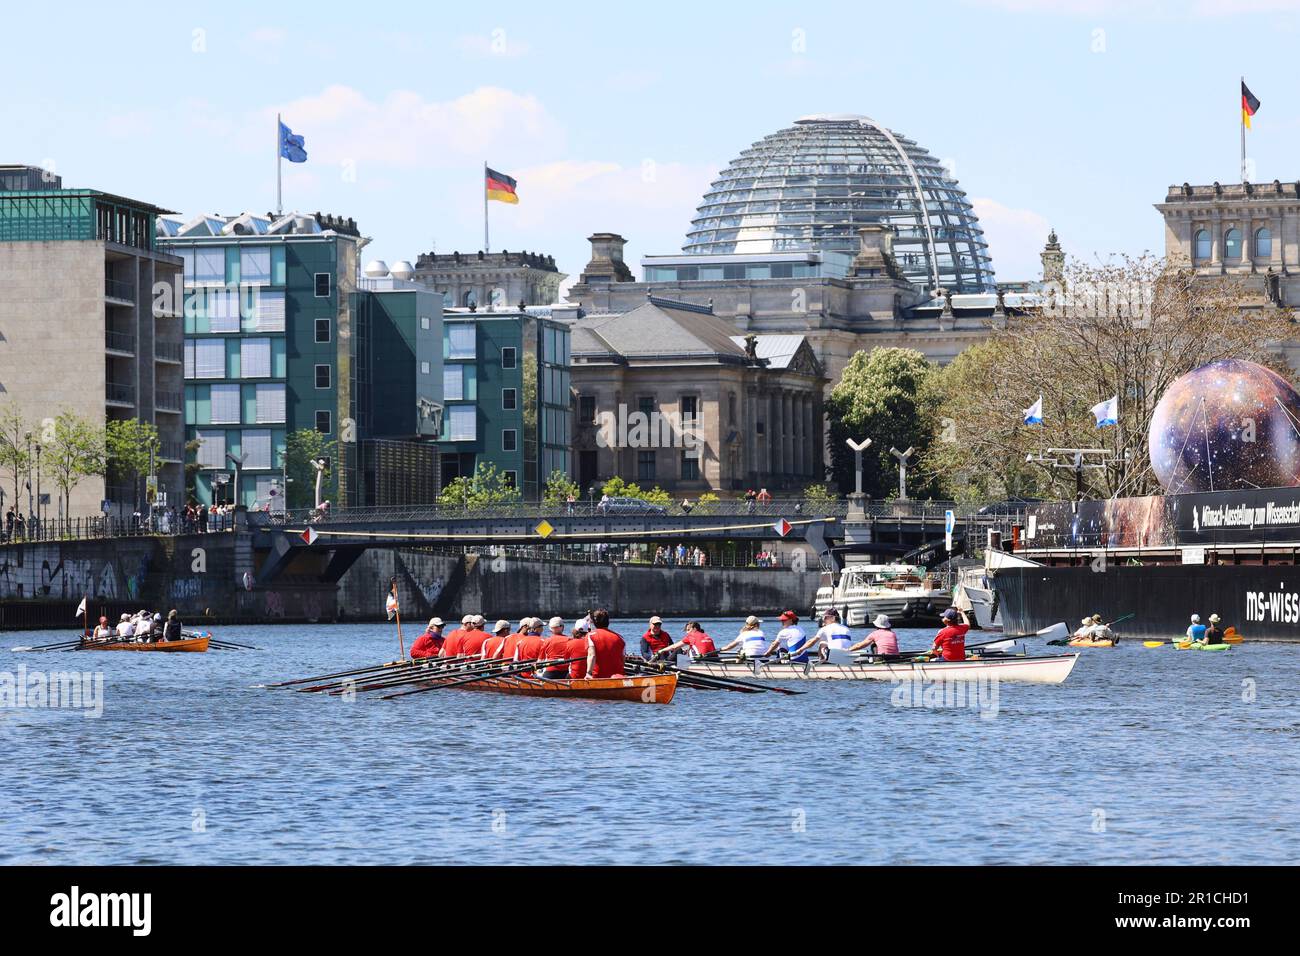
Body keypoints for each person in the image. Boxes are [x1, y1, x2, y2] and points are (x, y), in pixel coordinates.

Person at [585, 609, 626, 678]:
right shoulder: (620, 638)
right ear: (608, 622)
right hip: (618, 677)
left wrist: (588, 673)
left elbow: (592, 656)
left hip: (598, 677)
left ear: (594, 622)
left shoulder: (590, 635)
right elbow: (623, 659)